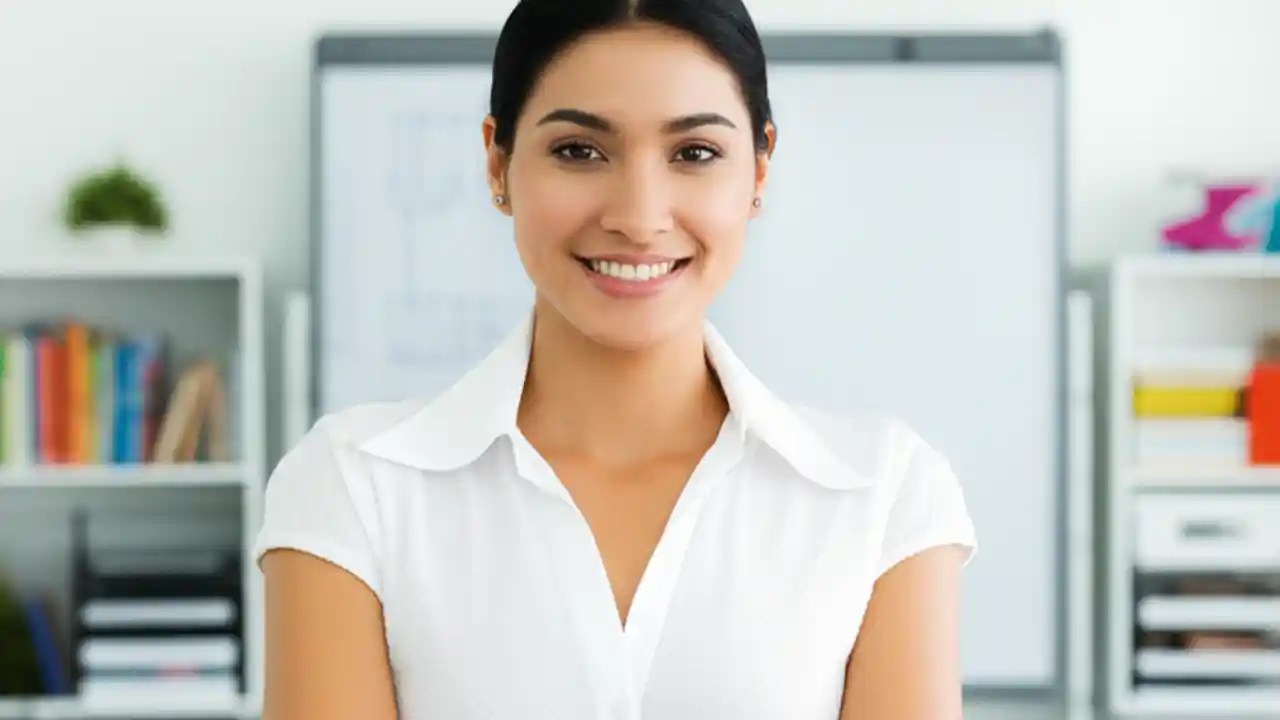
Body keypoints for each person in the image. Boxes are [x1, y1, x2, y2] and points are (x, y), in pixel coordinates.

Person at [253, 0, 977, 717]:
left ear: (759, 171)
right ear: (498, 164)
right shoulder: (353, 489)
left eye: (694, 154)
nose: (638, 215)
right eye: (579, 151)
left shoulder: (883, 497)